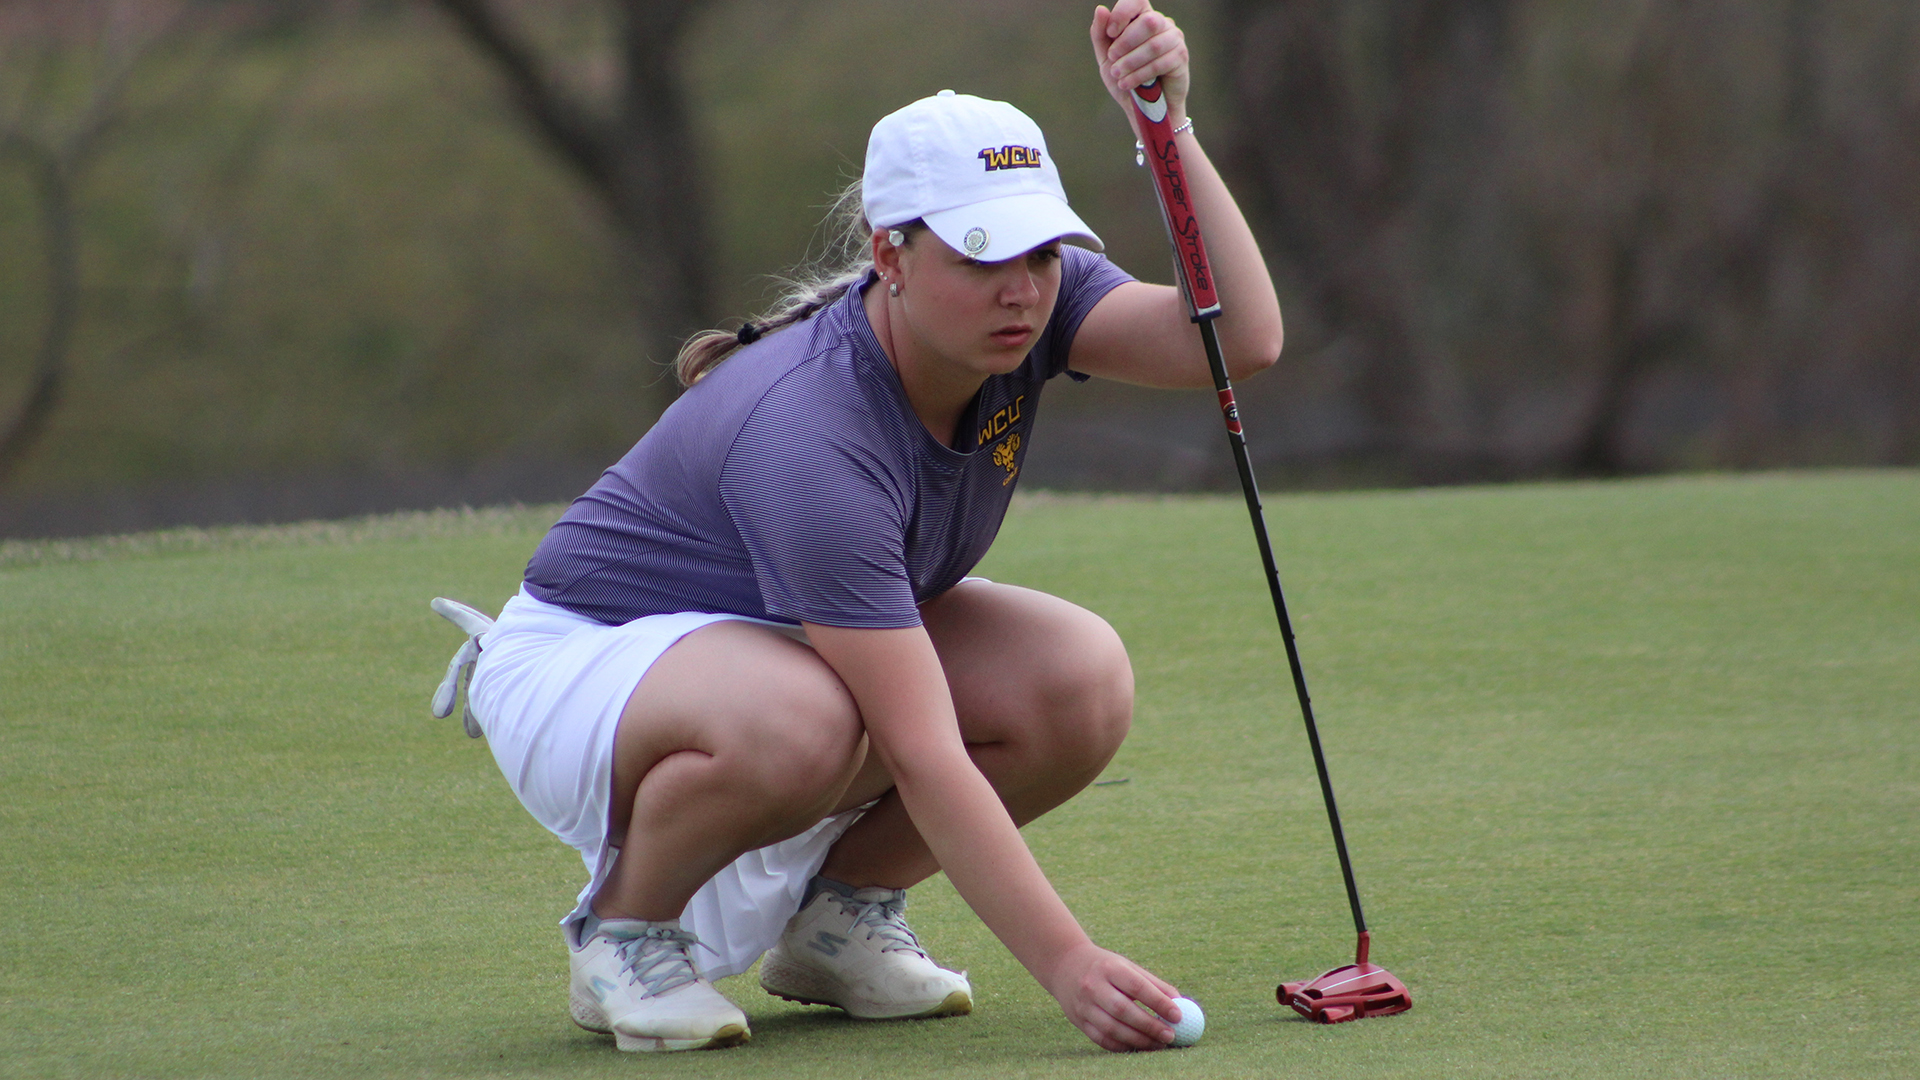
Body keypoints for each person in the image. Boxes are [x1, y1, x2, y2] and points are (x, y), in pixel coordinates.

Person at [439, 0, 1281, 1054]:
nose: (1020, 290)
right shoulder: (810, 426)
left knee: (1079, 677)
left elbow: (1238, 339)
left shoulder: (1026, 311)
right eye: (981, 257)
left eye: (1040, 254)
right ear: (890, 254)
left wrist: (1167, 130)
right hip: (588, 660)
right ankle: (623, 934)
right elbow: (925, 751)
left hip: (778, 648)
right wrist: (1070, 965)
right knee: (807, 721)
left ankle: (838, 922)